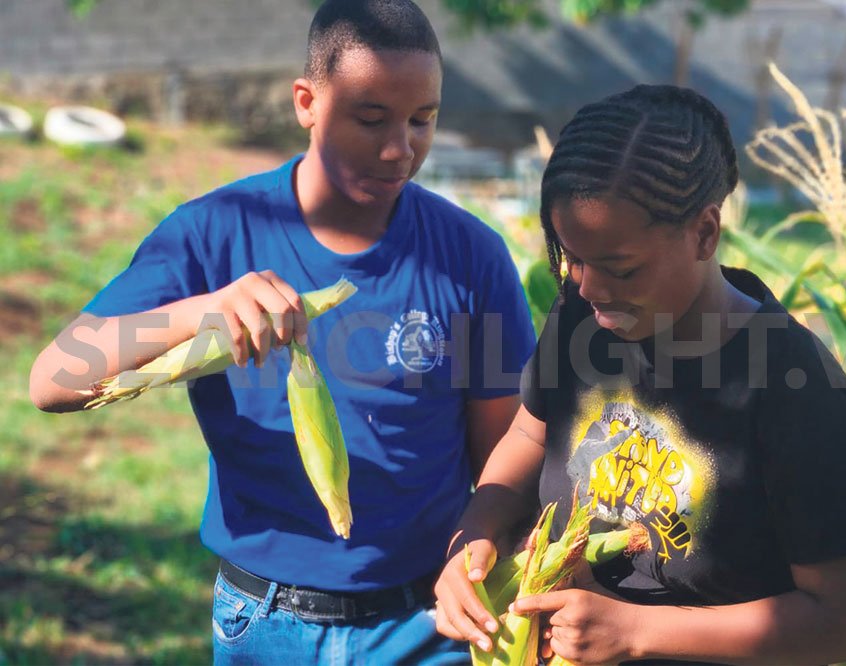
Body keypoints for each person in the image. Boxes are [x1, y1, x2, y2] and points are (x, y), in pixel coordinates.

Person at [29, 1, 535, 663]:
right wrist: (203, 312)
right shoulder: (214, 233)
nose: (399, 149)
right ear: (306, 103)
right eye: (371, 119)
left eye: (423, 119)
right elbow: (54, 381)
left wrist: (476, 549)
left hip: (426, 623)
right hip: (264, 624)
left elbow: (508, 455)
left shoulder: (469, 255)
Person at [433, 84, 846, 665]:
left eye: (621, 269)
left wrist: (637, 631)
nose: (589, 288)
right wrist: (475, 532)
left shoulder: (795, 387)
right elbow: (530, 433)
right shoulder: (583, 316)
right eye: (572, 259)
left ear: (705, 233)